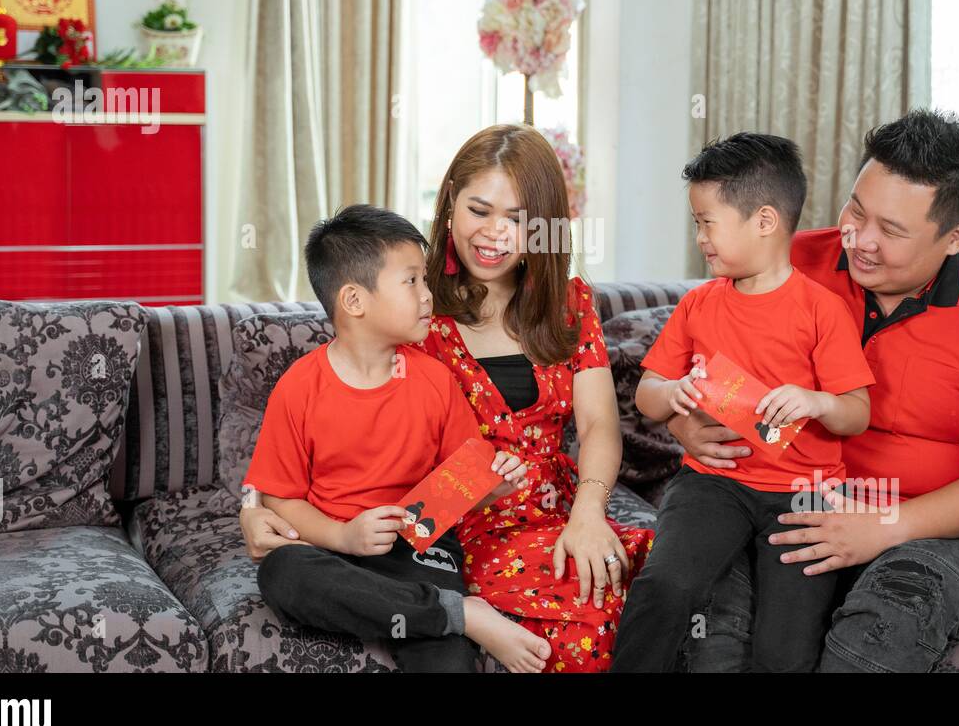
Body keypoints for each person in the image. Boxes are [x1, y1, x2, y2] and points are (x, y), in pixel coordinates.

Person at [242, 125, 653, 673]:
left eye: (518, 219)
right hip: (453, 520)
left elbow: (600, 425)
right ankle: (470, 613)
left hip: (554, 507)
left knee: (665, 580)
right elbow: (339, 398)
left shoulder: (569, 304)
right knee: (592, 608)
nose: (495, 234)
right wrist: (255, 504)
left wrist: (589, 511)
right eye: (479, 210)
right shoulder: (411, 305)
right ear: (451, 203)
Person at [669, 110, 959, 672]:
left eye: (893, 230)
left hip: (930, 526)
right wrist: (685, 423)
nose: (861, 240)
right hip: (779, 495)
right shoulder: (785, 261)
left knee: (875, 641)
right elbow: (684, 367)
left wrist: (884, 527)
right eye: (857, 210)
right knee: (713, 634)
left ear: (955, 236)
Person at [247, 204, 551, 672]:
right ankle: (459, 615)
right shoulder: (299, 387)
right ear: (354, 301)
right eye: (411, 282)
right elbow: (279, 500)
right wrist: (344, 536)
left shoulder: (433, 379)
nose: (428, 296)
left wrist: (495, 482)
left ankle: (440, 613)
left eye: (425, 281)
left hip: (421, 548)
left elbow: (462, 479)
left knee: (446, 663)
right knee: (283, 572)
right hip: (335, 551)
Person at [611, 133, 874, 672]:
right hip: (713, 482)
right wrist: (672, 393)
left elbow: (857, 411)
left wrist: (816, 402)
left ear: (765, 221)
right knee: (664, 588)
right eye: (697, 222)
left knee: (785, 649)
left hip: (804, 495)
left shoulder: (821, 311)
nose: (700, 238)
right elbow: (647, 396)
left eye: (708, 222)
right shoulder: (698, 304)